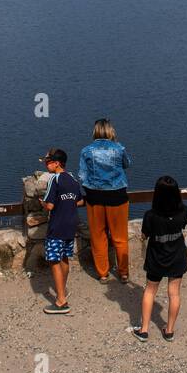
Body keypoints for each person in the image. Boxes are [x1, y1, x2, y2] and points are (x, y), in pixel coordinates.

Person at [131, 176, 187, 341]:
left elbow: (144, 235)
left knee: (150, 290)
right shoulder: (183, 210)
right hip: (177, 255)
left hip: (157, 256)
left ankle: (144, 330)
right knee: (174, 293)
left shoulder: (151, 215)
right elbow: (183, 226)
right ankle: (169, 330)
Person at [78, 118, 132, 283]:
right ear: (110, 131)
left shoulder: (86, 151)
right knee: (120, 237)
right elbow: (127, 164)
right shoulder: (119, 148)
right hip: (118, 197)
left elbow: (81, 175)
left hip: (95, 198)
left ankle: (103, 273)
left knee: (98, 236)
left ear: (95, 131)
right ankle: (123, 273)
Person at [40, 148, 83, 315]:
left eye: (48, 162)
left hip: (57, 225)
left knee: (53, 260)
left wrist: (42, 203)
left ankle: (61, 302)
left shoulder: (55, 179)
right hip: (71, 225)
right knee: (65, 258)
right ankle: (62, 291)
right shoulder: (72, 179)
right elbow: (79, 201)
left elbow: (50, 205)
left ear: (57, 163)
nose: (46, 164)